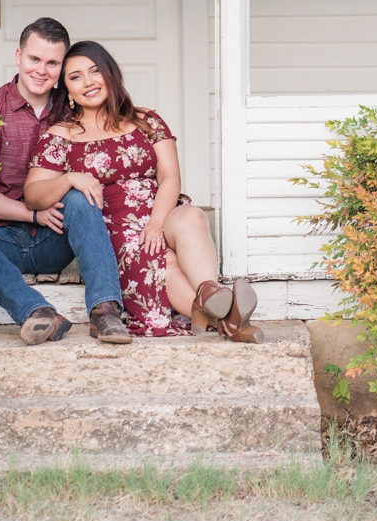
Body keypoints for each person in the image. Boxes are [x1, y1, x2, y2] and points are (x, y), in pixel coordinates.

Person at [23, 40, 261, 342]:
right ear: (67, 89)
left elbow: (170, 177)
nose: (88, 82)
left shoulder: (145, 120)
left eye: (95, 71)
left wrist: (156, 223)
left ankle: (209, 292)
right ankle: (229, 321)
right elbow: (33, 194)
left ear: (110, 74)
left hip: (162, 212)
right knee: (163, 260)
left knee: (191, 216)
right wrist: (70, 178)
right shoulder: (61, 135)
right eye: (76, 77)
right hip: (115, 228)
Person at [0, 17, 130, 346]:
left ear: (62, 66)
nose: (41, 70)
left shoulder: (75, 111)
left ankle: (105, 310)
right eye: (34, 59)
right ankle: (37, 312)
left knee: (79, 196)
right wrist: (32, 214)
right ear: (18, 56)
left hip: (54, 237)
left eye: (52, 63)